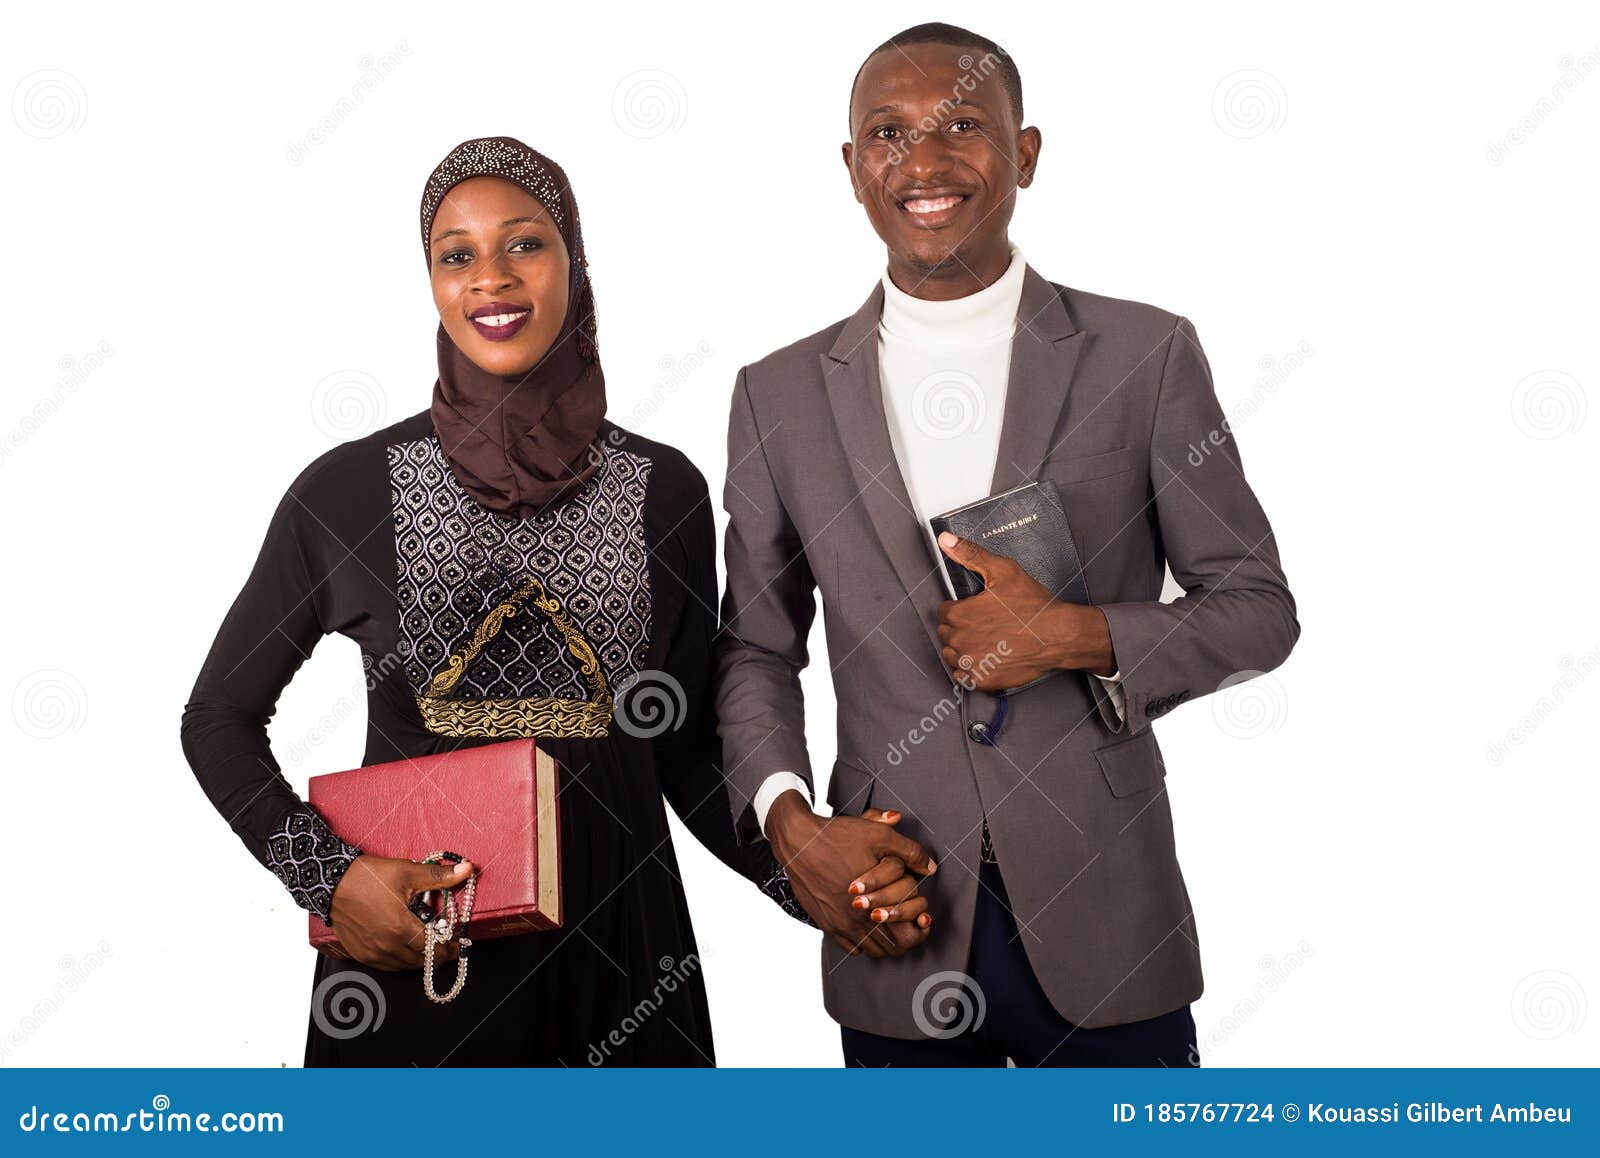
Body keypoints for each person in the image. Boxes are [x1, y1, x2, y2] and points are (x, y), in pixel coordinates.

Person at [180, 136, 849, 1066]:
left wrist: (810, 876)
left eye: (524, 244)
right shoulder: (346, 491)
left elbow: (689, 754)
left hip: (627, 972)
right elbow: (216, 716)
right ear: (431, 281)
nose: (490, 279)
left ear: (574, 260)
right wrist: (330, 881)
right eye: (456, 254)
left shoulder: (664, 489)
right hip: (417, 972)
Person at [715, 25, 1300, 1066]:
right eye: (888, 133)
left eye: (963, 127)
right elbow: (757, 650)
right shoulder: (778, 394)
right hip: (890, 912)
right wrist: (790, 823)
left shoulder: (1144, 354)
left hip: (1110, 921)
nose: (924, 162)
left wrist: (1071, 635)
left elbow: (1256, 609)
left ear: (1024, 153)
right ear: (852, 169)